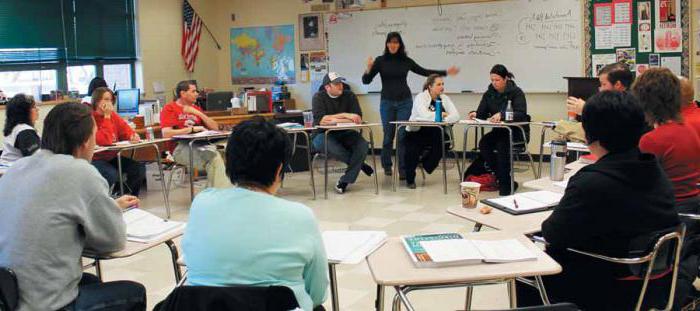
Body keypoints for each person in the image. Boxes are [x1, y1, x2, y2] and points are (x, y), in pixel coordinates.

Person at [517, 91, 680, 310]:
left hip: (603, 288)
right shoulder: (654, 169)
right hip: (654, 285)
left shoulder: (591, 182)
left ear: (589, 134)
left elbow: (552, 234)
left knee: (527, 267)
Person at [0, 103, 146, 311]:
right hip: (46, 304)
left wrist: (111, 206)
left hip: (9, 296)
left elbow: (49, 214)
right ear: (86, 141)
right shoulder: (81, 172)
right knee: (134, 291)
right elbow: (113, 241)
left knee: (90, 282)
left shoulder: (17, 169)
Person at [182, 119, 328, 311]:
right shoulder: (300, 216)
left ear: (228, 162)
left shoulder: (202, 202)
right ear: (279, 169)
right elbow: (318, 294)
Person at [362, 31, 459, 178]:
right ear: (387, 44)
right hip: (387, 102)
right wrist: (368, 68)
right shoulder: (380, 61)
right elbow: (366, 81)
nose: (392, 45)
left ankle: (403, 169)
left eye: (395, 42)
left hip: (404, 102)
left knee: (402, 136)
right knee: (388, 135)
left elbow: (424, 71)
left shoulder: (405, 60)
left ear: (400, 44)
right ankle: (387, 165)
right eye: (390, 42)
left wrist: (445, 72)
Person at [632, 68, 700, 224]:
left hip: (667, 212)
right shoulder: (687, 129)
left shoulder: (652, 140)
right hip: (690, 207)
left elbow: (640, 184)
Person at [466, 64, 528, 195]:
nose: (494, 83)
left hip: (515, 132)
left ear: (505, 79)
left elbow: (521, 113)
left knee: (501, 146)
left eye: (497, 80)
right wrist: (475, 114)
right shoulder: (489, 93)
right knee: (484, 143)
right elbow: (482, 113)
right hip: (499, 131)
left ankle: (505, 185)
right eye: (492, 80)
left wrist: (503, 114)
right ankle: (504, 179)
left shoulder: (516, 92)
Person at [160, 80, 230, 189]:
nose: (197, 94)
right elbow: (166, 133)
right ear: (183, 93)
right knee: (213, 158)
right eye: (193, 91)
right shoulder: (170, 108)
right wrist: (191, 129)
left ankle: (215, 191)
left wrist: (197, 113)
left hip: (201, 145)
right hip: (180, 148)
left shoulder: (196, 109)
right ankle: (220, 193)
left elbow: (215, 127)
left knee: (230, 150)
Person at [312, 72, 374, 193]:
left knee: (363, 145)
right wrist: (346, 115)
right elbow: (322, 121)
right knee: (330, 147)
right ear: (327, 87)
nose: (340, 85)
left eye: (341, 82)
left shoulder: (349, 95)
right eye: (336, 83)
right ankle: (360, 164)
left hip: (345, 132)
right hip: (323, 133)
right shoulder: (318, 97)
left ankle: (345, 180)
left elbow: (357, 118)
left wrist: (334, 119)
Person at [404, 74, 460, 189]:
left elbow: (456, 115)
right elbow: (423, 115)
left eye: (442, 84)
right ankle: (410, 179)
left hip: (435, 132)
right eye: (438, 84)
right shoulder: (421, 97)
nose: (442, 87)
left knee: (445, 142)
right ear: (430, 86)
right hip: (417, 131)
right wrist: (439, 115)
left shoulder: (445, 98)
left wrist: (445, 118)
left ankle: (426, 164)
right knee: (412, 149)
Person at [90, 87, 146, 196]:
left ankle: (127, 197)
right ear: (97, 101)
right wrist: (106, 116)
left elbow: (126, 130)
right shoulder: (91, 118)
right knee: (111, 174)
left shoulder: (114, 116)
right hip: (96, 158)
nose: (109, 103)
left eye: (110, 100)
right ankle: (116, 198)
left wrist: (133, 136)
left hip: (111, 157)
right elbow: (104, 141)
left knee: (138, 169)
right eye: (106, 99)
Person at [566, 62, 634, 115]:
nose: (600, 89)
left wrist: (587, 109)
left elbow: (611, 125)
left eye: (604, 84)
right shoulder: (613, 101)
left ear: (617, 84)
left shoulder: (629, 105)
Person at [0, 94, 40, 166]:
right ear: (23, 112)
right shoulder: (24, 131)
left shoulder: (16, 128)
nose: (37, 109)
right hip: (13, 171)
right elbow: (38, 158)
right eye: (33, 107)